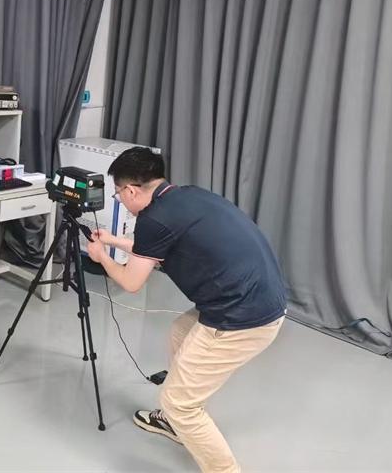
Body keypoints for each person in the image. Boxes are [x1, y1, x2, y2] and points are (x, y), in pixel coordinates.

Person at [86, 147, 287, 473]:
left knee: (179, 403)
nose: (119, 199)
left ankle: (212, 455)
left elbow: (131, 281)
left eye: (118, 193)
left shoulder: (151, 221)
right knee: (181, 331)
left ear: (132, 190)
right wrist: (112, 240)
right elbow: (154, 247)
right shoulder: (185, 196)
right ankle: (174, 423)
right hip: (264, 299)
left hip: (241, 317)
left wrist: (101, 257)